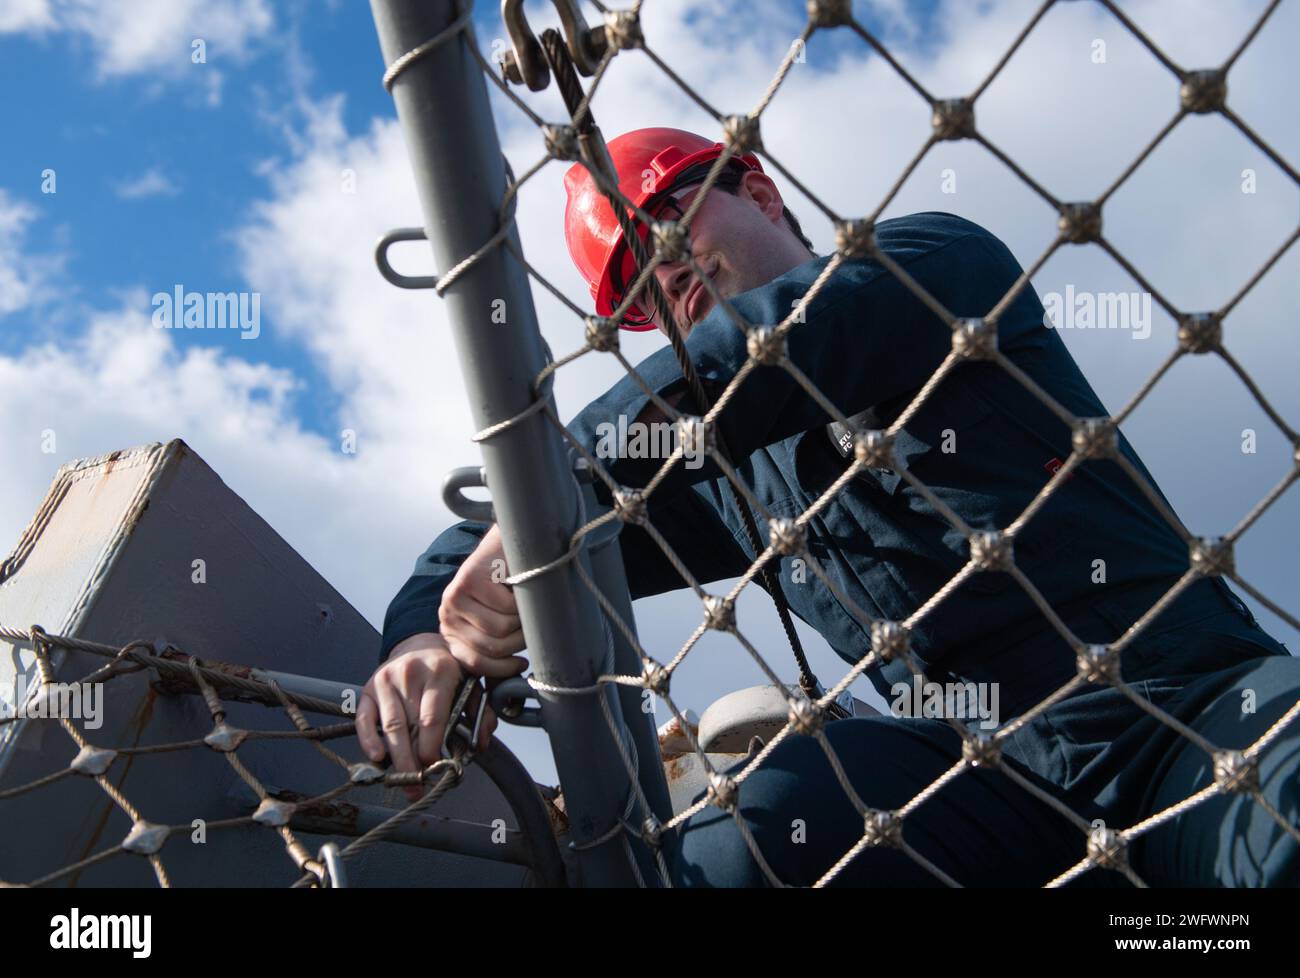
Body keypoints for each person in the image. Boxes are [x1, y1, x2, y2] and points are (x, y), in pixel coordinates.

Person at [360, 127, 1299, 886]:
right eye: (638, 292)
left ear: (759, 193)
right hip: (993, 790)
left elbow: (776, 349)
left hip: (1191, 712)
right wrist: (422, 639)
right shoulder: (726, 487)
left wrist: (557, 486)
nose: (666, 278)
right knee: (742, 844)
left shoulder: (934, 264)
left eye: (670, 229)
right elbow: (464, 548)